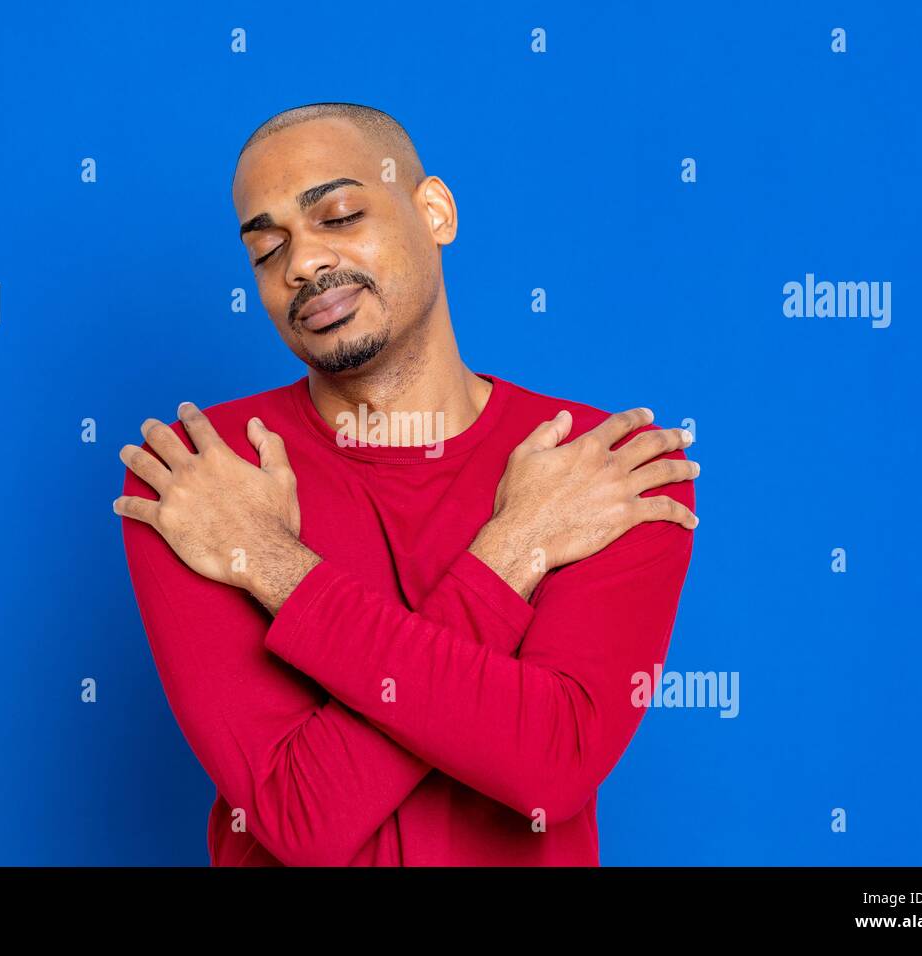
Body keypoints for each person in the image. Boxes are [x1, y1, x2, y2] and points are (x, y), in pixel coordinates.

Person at [113, 102, 700, 865]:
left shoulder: (599, 466)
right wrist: (512, 553)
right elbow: (302, 815)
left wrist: (268, 564)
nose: (301, 263)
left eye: (340, 214)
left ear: (435, 212)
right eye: (266, 251)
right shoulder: (200, 478)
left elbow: (550, 768)